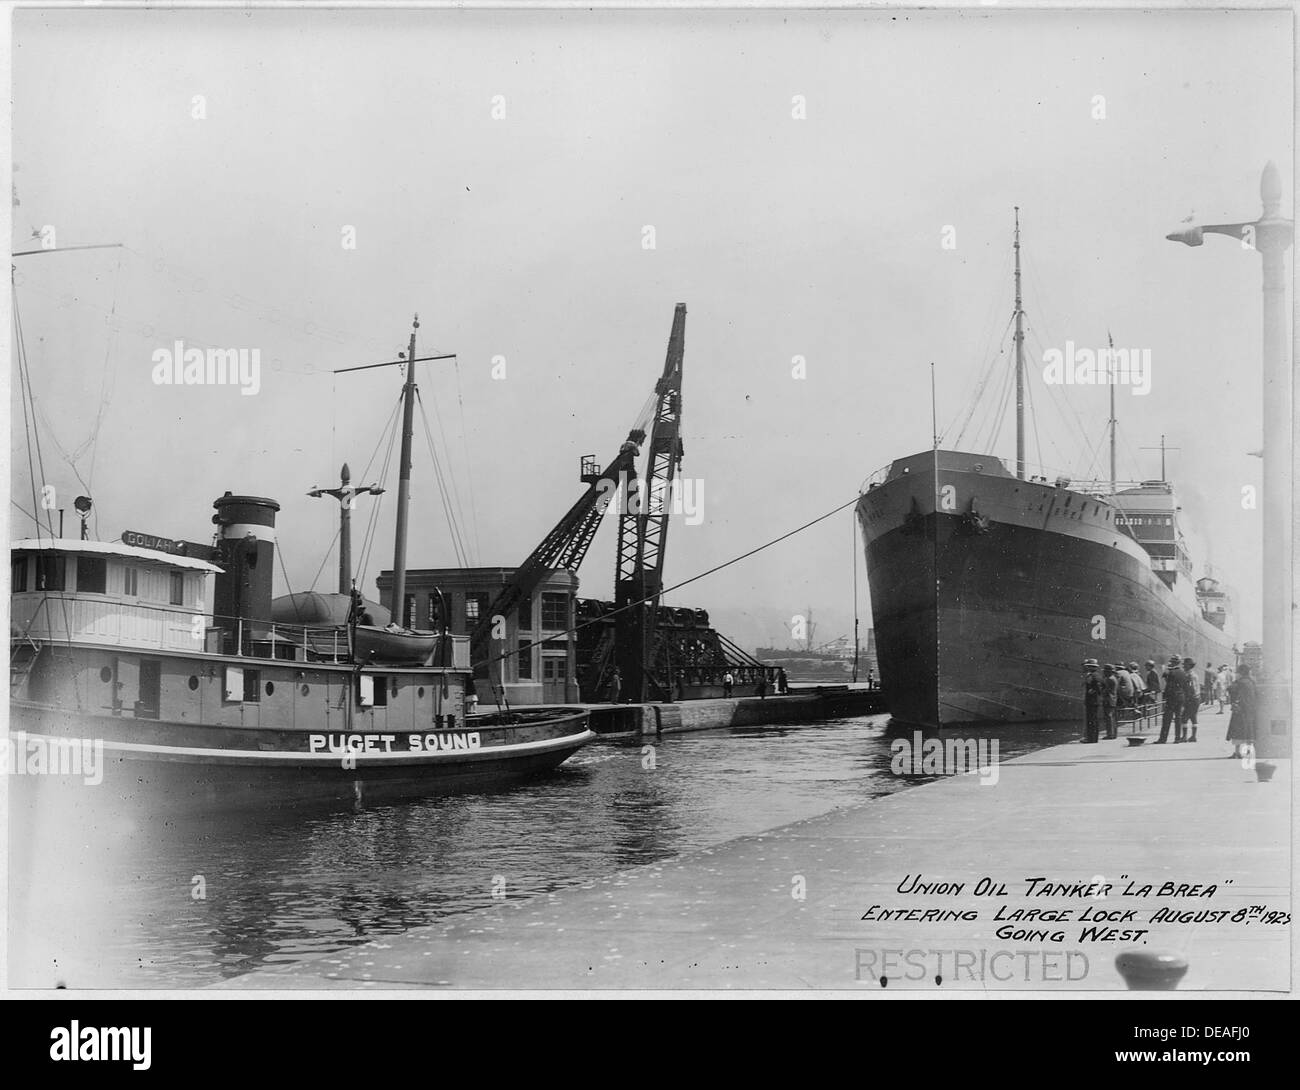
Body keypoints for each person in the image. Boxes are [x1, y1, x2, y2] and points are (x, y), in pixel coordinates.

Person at [1226, 663, 1257, 758]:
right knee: (1249, 731)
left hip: (1240, 710)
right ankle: (1249, 752)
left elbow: (1230, 689)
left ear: (1241, 673)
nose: (1236, 674)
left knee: (1237, 731)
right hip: (1250, 710)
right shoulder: (1252, 682)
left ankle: (1237, 752)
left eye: (1238, 672)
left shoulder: (1239, 682)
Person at [1155, 654, 1185, 744]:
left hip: (1172, 697)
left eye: (1171, 661)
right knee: (1178, 718)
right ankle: (1177, 738)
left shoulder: (1171, 672)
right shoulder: (1183, 672)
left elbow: (1169, 686)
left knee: (1167, 718)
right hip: (1180, 697)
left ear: (1173, 662)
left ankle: (1163, 739)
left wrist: (1165, 696)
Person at [1180, 656, 1200, 742]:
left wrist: (1186, 698)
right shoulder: (1194, 674)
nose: (1183, 666)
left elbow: (1191, 688)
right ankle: (1193, 736)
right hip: (1196, 698)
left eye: (1185, 665)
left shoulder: (1189, 675)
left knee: (1184, 718)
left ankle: (1184, 737)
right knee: (1193, 717)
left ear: (1189, 665)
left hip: (1191, 698)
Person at [1082, 659, 1101, 743]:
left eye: (1088, 666)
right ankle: (1093, 738)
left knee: (1091, 720)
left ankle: (1091, 739)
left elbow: (1098, 686)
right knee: (1094, 720)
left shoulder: (1093, 675)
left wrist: (1093, 690)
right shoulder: (1097, 675)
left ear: (1090, 667)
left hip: (1091, 700)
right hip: (1094, 700)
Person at [1100, 664, 1119, 739]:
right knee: (1113, 718)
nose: (1104, 672)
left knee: (1108, 717)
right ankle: (1114, 734)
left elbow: (1105, 690)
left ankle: (1110, 734)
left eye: (1105, 671)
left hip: (1108, 699)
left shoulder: (1109, 679)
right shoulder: (1114, 678)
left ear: (1108, 672)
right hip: (1113, 699)